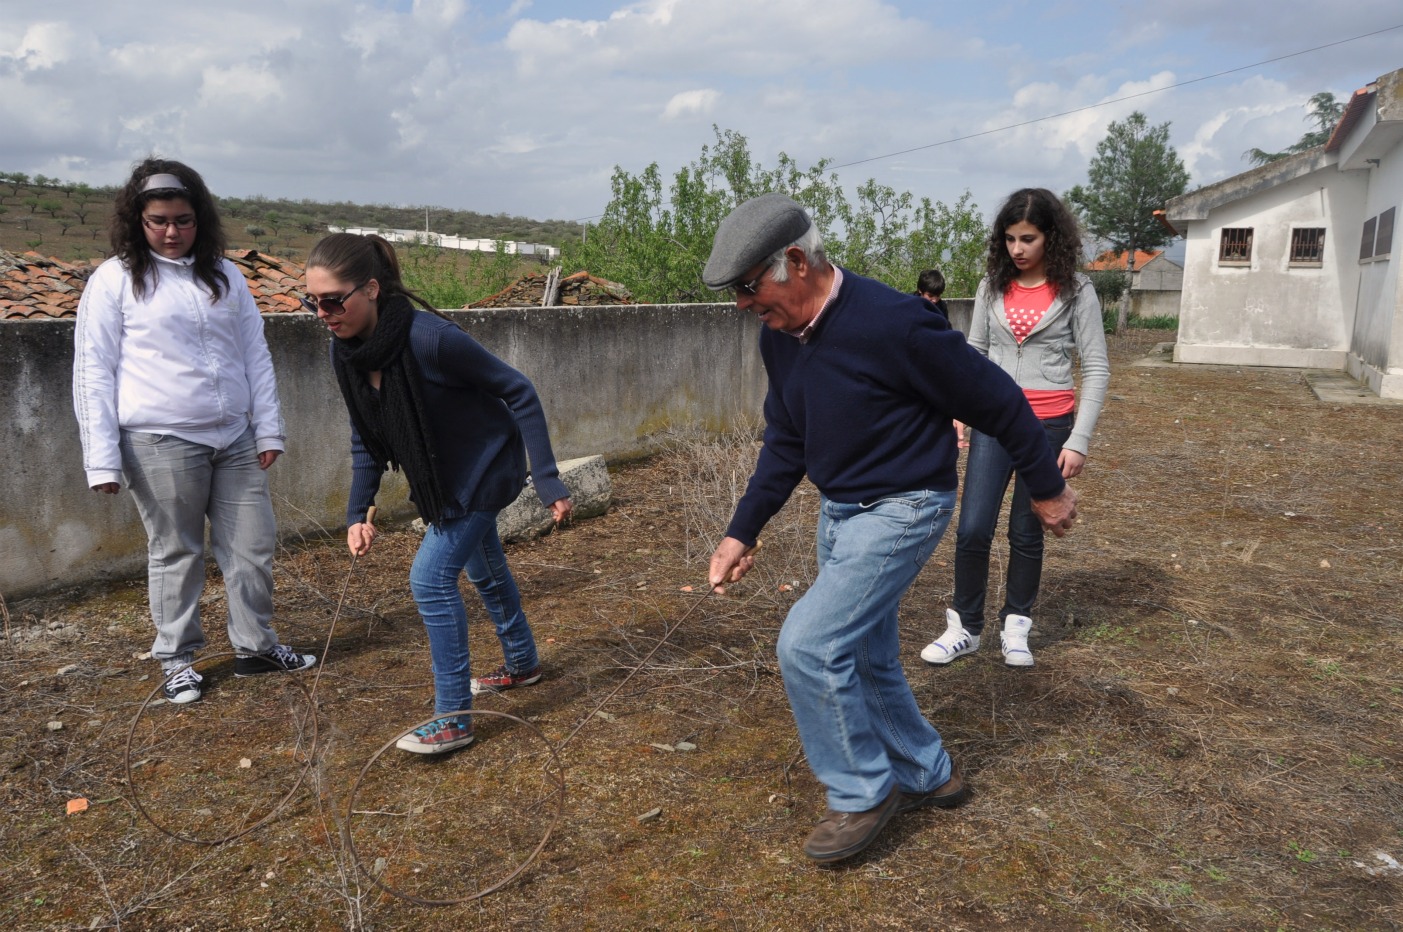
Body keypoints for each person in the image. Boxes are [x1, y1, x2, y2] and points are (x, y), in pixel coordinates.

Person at [704, 193, 1078, 864]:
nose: (741, 303)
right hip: (841, 512)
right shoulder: (778, 336)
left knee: (810, 647)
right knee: (865, 656)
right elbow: (786, 440)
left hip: (905, 506)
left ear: (794, 261)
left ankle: (861, 791)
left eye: (747, 285)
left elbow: (997, 400)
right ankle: (929, 771)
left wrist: (1046, 489)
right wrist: (742, 529)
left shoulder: (895, 323)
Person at [305, 232, 573, 755]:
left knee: (429, 580)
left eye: (333, 300)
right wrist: (358, 510)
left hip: (485, 470)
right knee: (484, 569)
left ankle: (453, 718)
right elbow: (366, 435)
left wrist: (546, 477)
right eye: (311, 301)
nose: (323, 313)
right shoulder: (346, 353)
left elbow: (517, 390)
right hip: (441, 478)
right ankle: (523, 663)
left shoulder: (430, 339)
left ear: (373, 289)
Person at [73, 158, 314, 706]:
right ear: (137, 220)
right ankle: (177, 659)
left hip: (234, 438)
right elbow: (93, 371)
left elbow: (255, 354)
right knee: (176, 551)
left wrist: (268, 429)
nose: (172, 232)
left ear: (199, 218)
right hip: (159, 440)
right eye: (158, 221)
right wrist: (102, 459)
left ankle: (255, 645)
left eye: (183, 220)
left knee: (252, 545)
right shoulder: (115, 280)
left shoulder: (224, 275)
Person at [921, 188, 1110, 670]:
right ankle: (965, 627)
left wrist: (1079, 439)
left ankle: (1015, 626)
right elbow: (975, 352)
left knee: (1027, 531)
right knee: (973, 527)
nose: (1017, 249)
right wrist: (960, 407)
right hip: (994, 422)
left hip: (1049, 426)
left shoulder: (1077, 290)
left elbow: (1096, 366)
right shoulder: (992, 286)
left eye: (1028, 238)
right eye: (1009, 239)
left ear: (1052, 237)